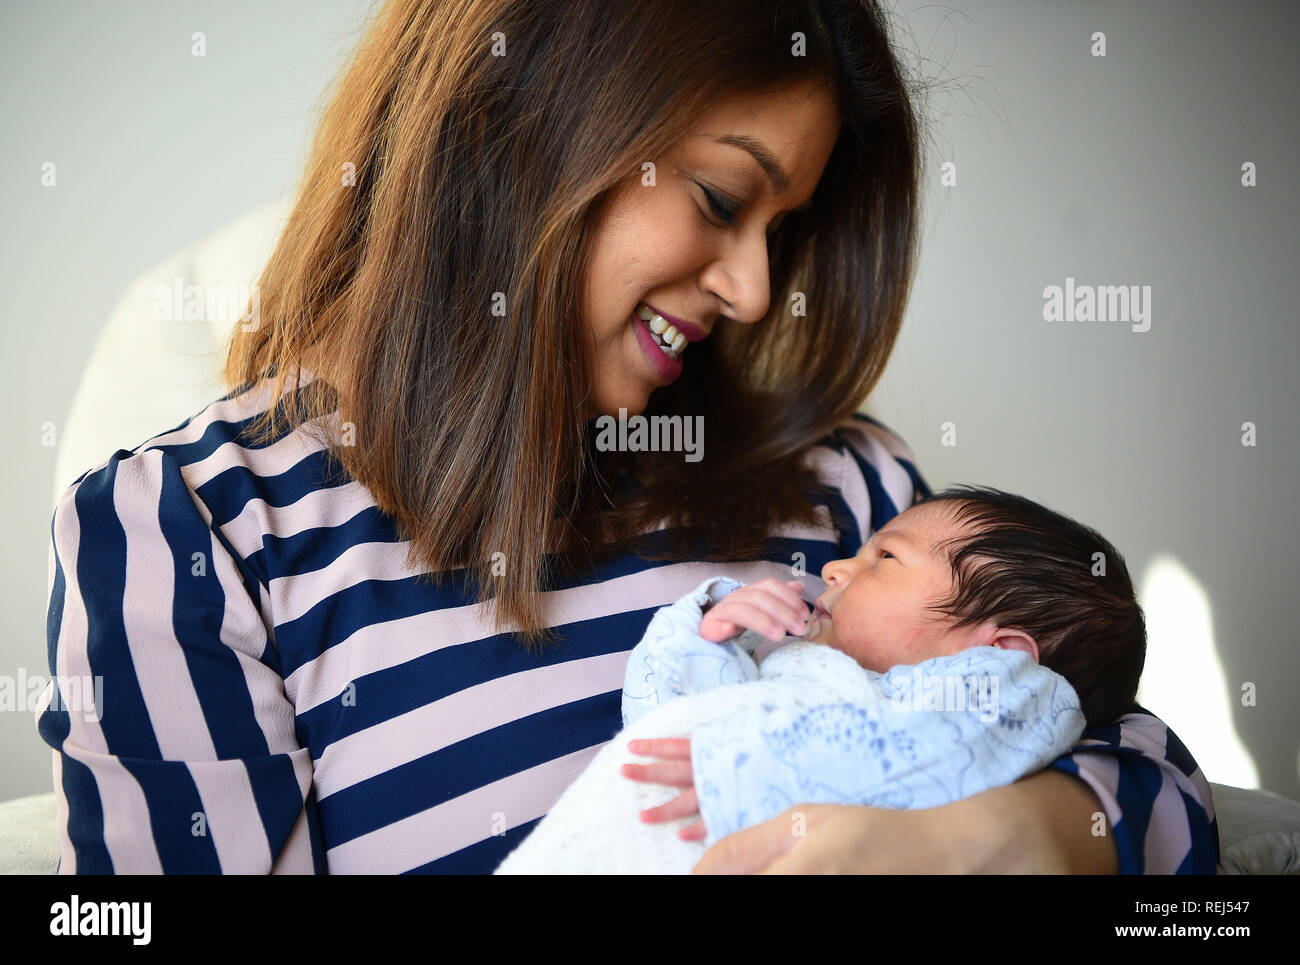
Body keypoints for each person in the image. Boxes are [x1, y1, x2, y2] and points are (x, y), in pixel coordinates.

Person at [36, 0, 1217, 874]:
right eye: (718, 198)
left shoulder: (847, 486)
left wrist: (999, 835)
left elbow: (1158, 788)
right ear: (517, 123)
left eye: (781, 226)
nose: (754, 290)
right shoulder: (184, 529)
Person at [493, 486, 1142, 873]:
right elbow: (662, 725)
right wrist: (708, 629)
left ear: (999, 653)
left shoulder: (980, 709)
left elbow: (934, 742)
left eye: (883, 558)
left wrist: (755, 765)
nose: (834, 569)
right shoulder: (795, 661)